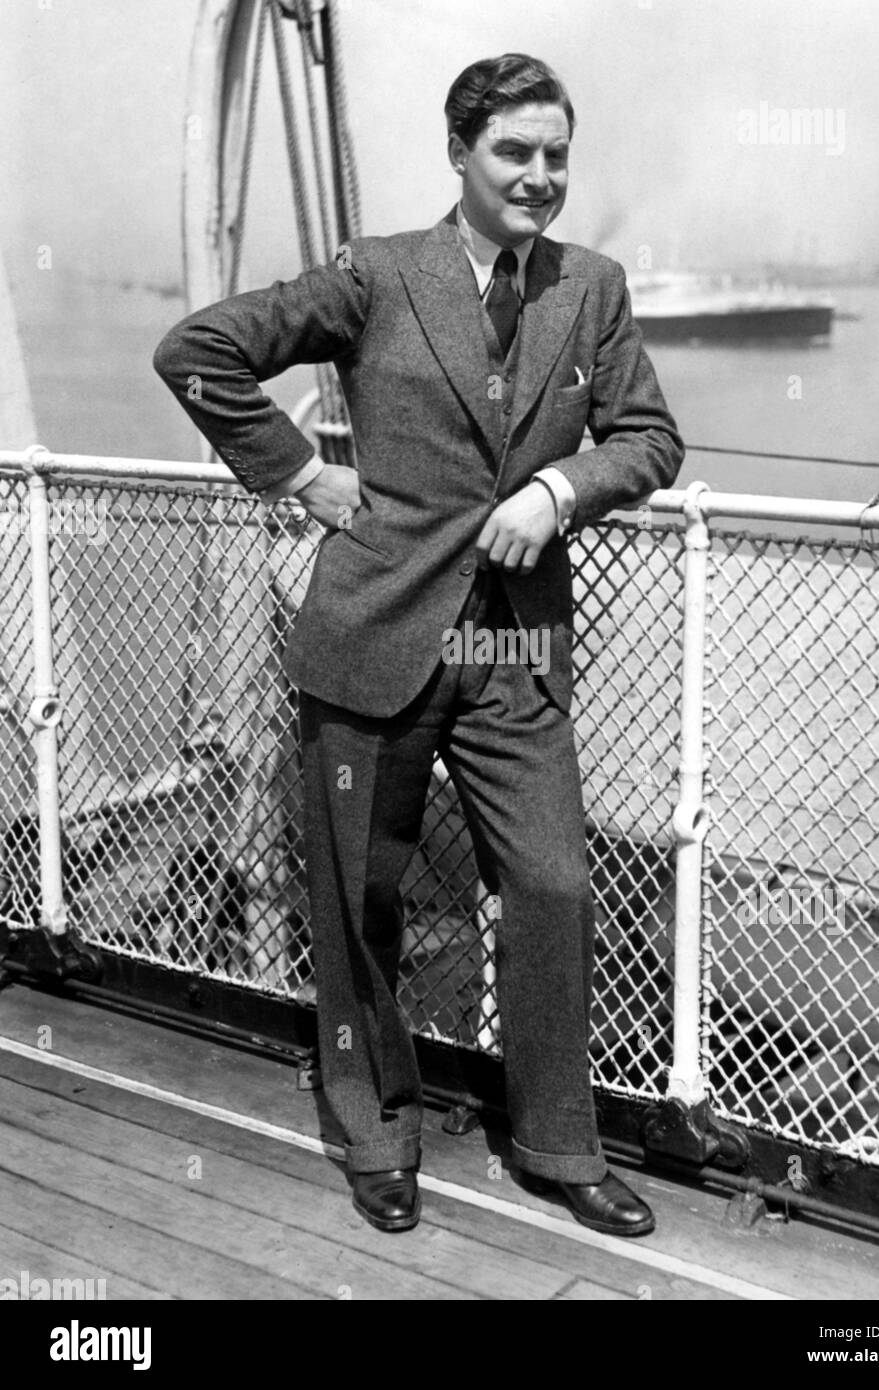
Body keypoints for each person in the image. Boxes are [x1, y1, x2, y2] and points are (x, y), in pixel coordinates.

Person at [154, 52, 683, 1237]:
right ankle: (374, 1129)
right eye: (513, 152)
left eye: (555, 154)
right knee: (358, 901)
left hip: (511, 659)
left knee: (550, 885)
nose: (540, 175)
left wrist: (558, 487)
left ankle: (554, 1142)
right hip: (372, 641)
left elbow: (648, 437)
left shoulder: (589, 289)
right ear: (459, 153)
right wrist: (299, 475)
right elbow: (199, 351)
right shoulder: (376, 273)